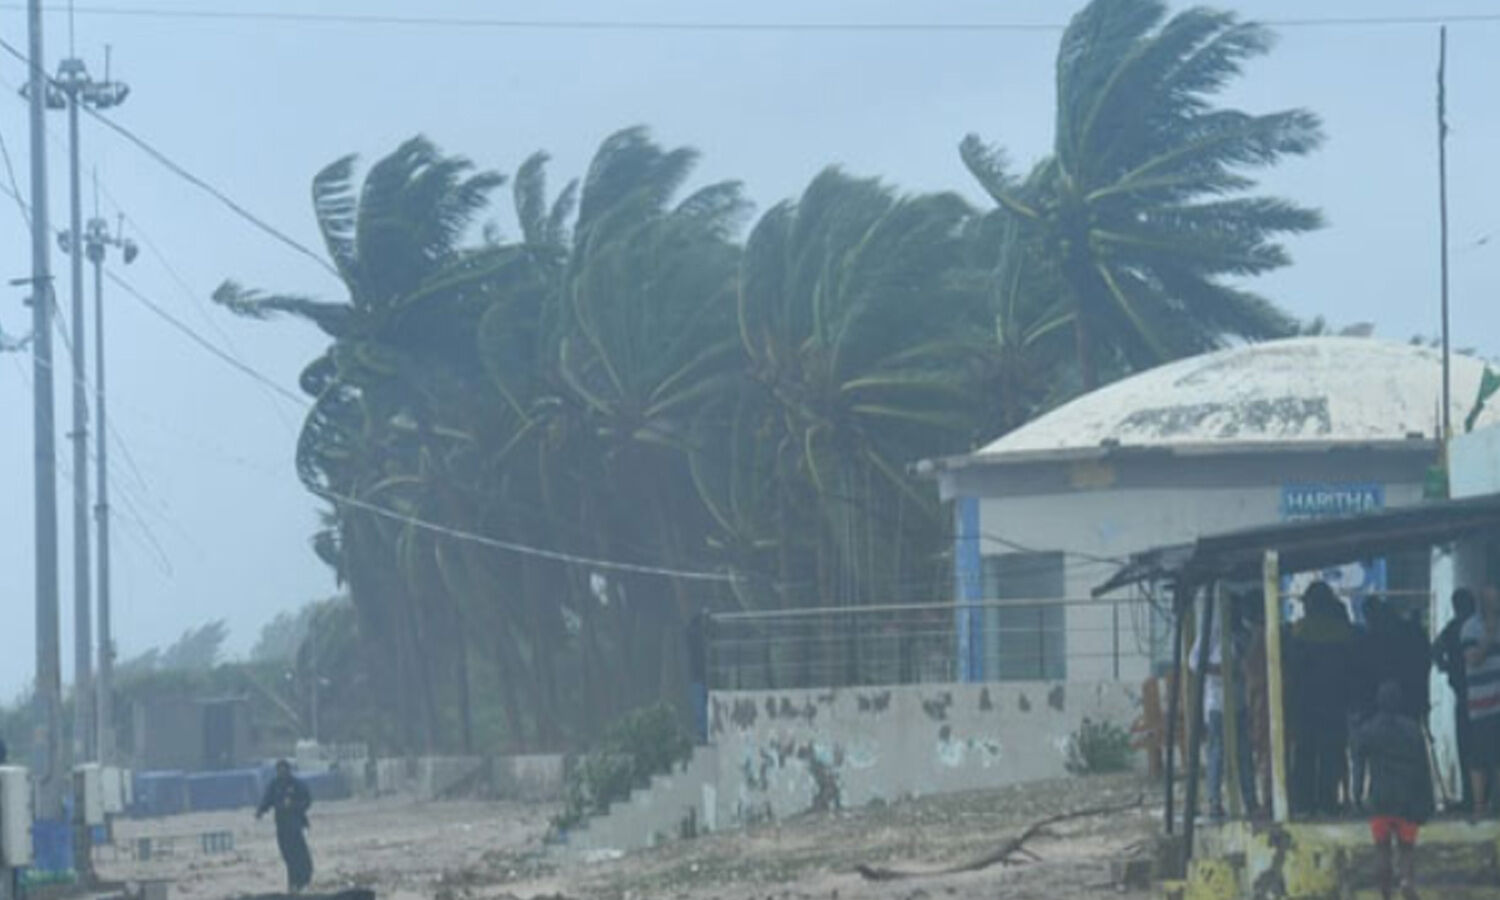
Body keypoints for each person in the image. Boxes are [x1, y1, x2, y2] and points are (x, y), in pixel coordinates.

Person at [1352, 680, 1434, 900]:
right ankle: (1406, 881)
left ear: (1378, 703)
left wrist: (1356, 796)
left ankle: (1385, 893)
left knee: (1382, 849)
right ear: (1400, 703)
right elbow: (1424, 770)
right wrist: (1428, 803)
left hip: (1380, 799)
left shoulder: (1367, 731)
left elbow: (1359, 767)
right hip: (1408, 800)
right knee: (1406, 849)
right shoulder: (1413, 730)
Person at [1288, 580, 1357, 817]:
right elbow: (1351, 668)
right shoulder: (1344, 632)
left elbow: (1291, 668)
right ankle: (1328, 802)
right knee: (1332, 755)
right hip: (1335, 703)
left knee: (1304, 755)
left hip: (1305, 704)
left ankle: (1304, 804)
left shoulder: (1299, 630)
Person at [1189, 604, 1256, 820]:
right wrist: (1220, 670)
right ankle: (1214, 801)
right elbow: (1194, 662)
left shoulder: (1244, 634)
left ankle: (1251, 800)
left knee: (1245, 752)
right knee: (1217, 752)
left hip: (1240, 702)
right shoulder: (1211, 634)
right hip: (1217, 703)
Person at [1434, 588, 1477, 811]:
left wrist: (1447, 667)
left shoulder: (1453, 628)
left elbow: (1436, 649)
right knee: (1483, 747)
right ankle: (1482, 797)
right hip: (1485, 696)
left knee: (1466, 747)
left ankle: (1471, 797)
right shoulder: (1480, 626)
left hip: (1465, 695)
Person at [1462, 585, 1500, 819]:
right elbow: (1473, 659)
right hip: (1482, 703)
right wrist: (1488, 634)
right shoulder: (1471, 627)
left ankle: (1496, 804)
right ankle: (1479, 806)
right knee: (1480, 756)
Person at [256, 760, 314, 892]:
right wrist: (260, 811)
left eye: (284, 770)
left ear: (288, 770)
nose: (282, 773)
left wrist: (294, 807)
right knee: (287, 855)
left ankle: (304, 879)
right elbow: (267, 800)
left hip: (296, 825)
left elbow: (307, 801)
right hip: (281, 826)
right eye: (279, 770)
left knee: (299, 853)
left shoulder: (297, 784)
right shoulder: (274, 785)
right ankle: (293, 882)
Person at [685, 610, 710, 744]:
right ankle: (702, 733)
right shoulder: (695, 635)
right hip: (699, 677)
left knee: (701, 706)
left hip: (699, 676)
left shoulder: (692, 634)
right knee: (701, 706)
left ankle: (703, 733)